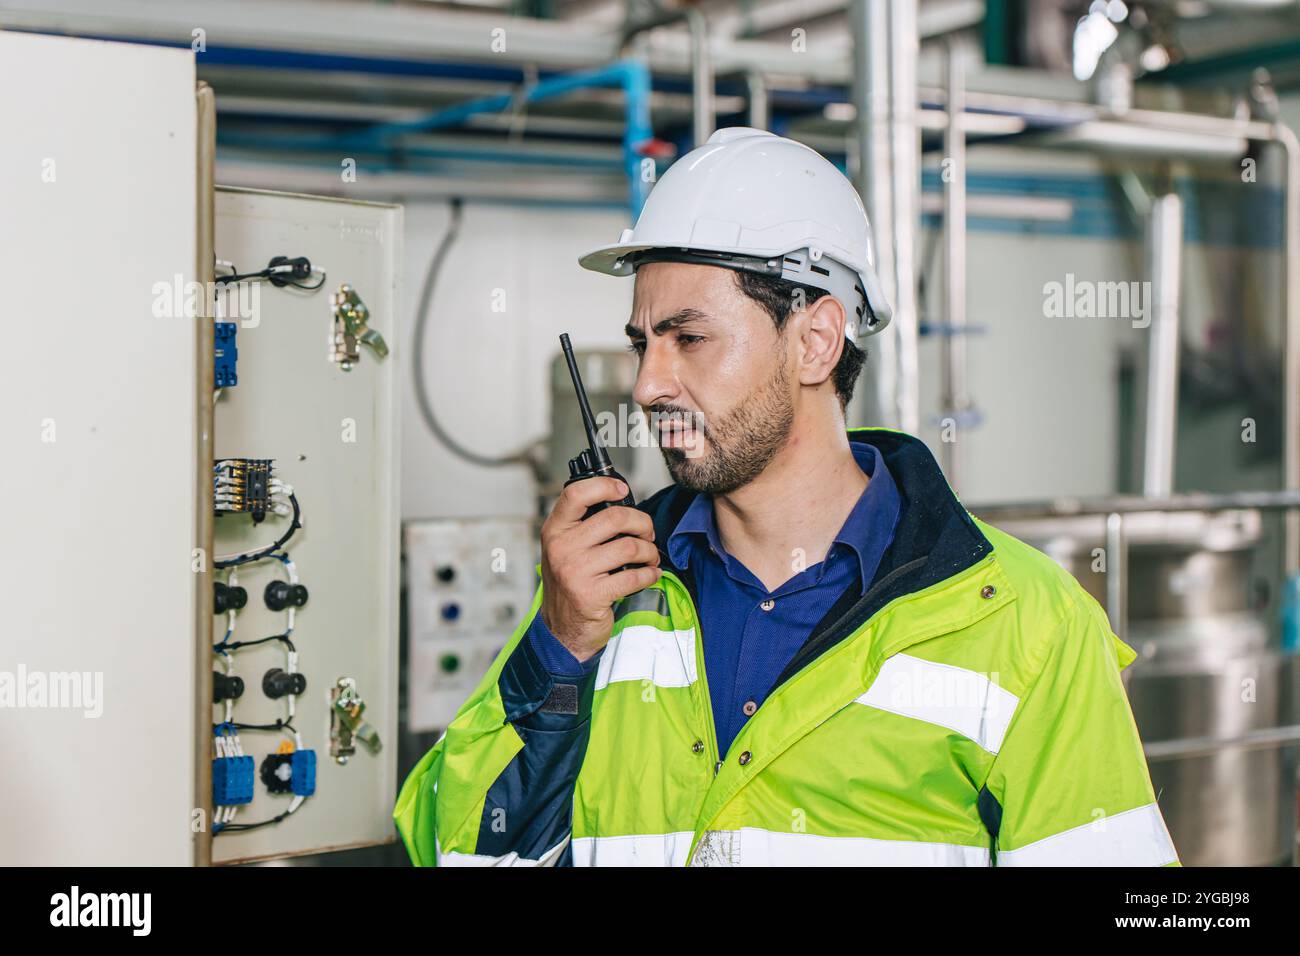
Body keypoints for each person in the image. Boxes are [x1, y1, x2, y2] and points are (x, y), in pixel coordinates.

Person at [394, 127, 1178, 867]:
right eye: (643, 343)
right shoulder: (610, 596)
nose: (645, 384)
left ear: (815, 340)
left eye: (688, 338)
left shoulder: (1024, 625)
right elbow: (458, 847)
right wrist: (557, 652)